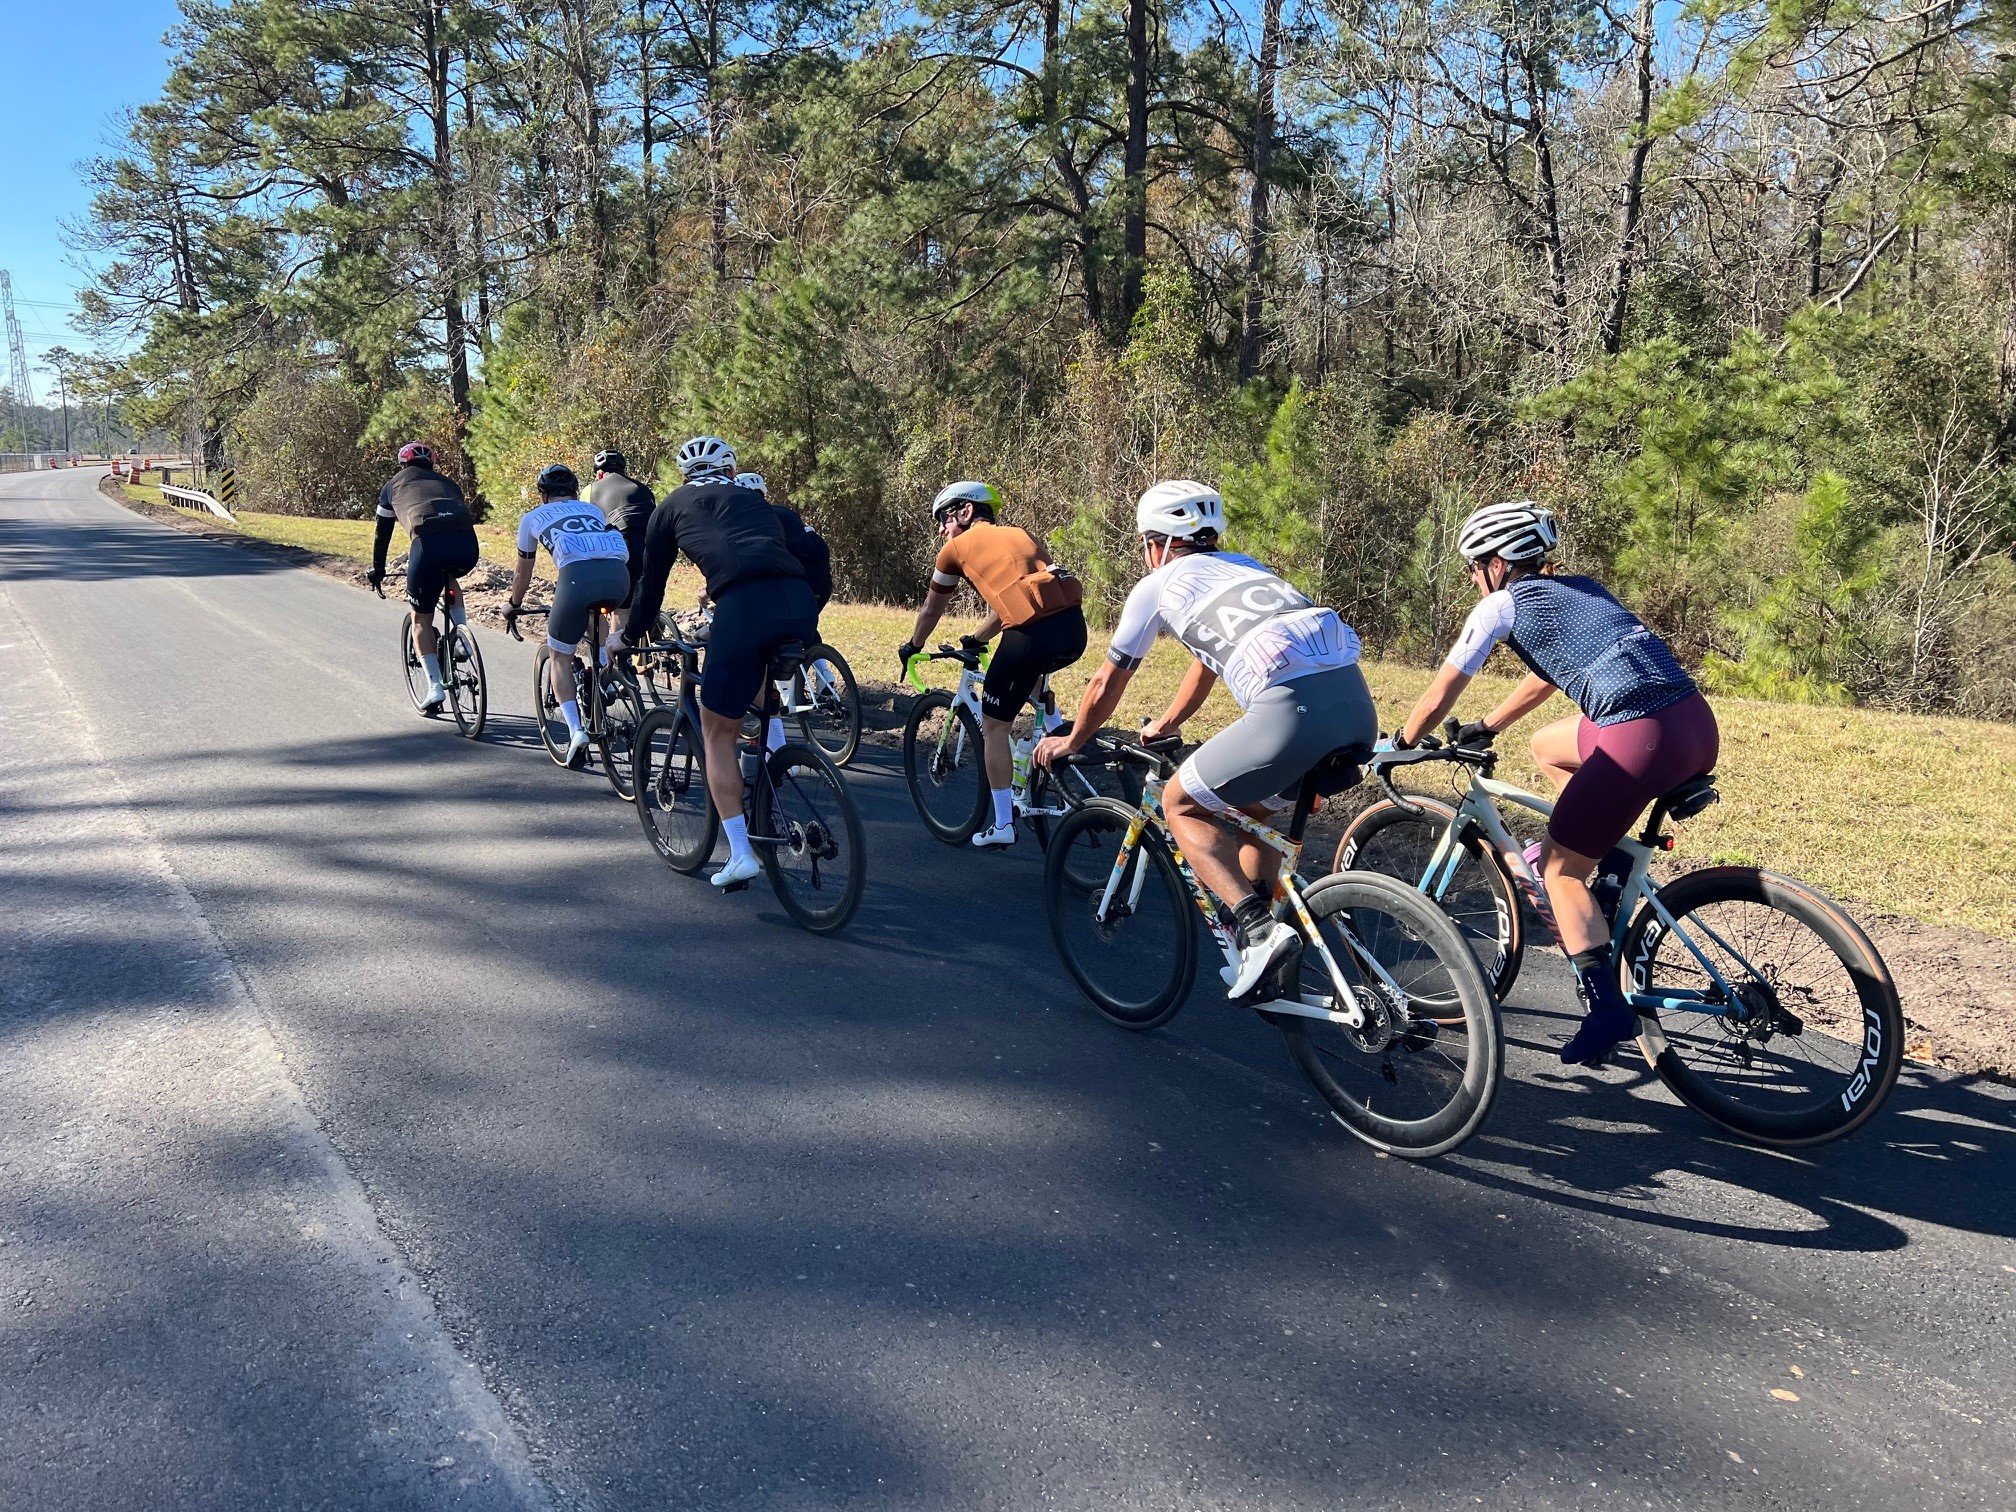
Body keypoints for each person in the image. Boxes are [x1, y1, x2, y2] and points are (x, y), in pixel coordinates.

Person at [1394, 500, 1720, 1067]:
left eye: (1475, 566)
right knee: (1548, 745)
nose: (1474, 578)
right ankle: (1610, 872)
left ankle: (1604, 1007)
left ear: (1497, 563)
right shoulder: (1582, 588)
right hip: (1692, 723)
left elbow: (1438, 692)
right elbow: (1543, 680)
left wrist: (1399, 746)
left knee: (1559, 869)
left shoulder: (1500, 606)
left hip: (1639, 736)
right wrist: (1486, 726)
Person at [1033, 482, 1375, 997]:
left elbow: (1107, 681)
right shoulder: (1248, 567)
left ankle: (1258, 933)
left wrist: (1074, 740)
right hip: (1356, 709)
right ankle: (1270, 926)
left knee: (1181, 804)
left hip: (1291, 715)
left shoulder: (1159, 585)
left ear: (1159, 543)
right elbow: (1205, 662)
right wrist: (1168, 724)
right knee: (1255, 811)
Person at [609, 436, 819, 890]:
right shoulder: (753, 498)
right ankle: (770, 758)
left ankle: (742, 853)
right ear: (729, 471)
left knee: (715, 730)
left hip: (743, 607)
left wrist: (627, 635)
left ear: (684, 477)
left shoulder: (671, 507)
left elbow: (651, 583)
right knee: (756, 689)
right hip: (799, 603)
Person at [899, 481, 1088, 848]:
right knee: (1033, 689)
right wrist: (977, 638)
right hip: (1073, 629)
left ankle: (1003, 824)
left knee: (995, 725)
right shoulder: (1019, 534)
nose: (942, 530)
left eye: (944, 519)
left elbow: (931, 609)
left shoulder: (954, 549)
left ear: (966, 512)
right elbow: (1020, 600)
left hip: (1032, 634)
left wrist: (913, 645)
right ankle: (1051, 734)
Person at [502, 463, 633, 769]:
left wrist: (513, 603)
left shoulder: (532, 517)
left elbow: (524, 571)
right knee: (597, 613)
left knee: (560, 656)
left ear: (543, 495)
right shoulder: (593, 511)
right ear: (575, 493)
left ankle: (576, 731)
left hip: (576, 579)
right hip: (619, 577)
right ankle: (605, 676)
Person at [369, 442, 479, 710]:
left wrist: (378, 568)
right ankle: (461, 637)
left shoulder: (392, 486)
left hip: (428, 544)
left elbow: (382, 533)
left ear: (403, 464)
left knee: (420, 620)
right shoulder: (449, 482)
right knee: (449, 579)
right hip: (466, 545)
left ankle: (434, 688)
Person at [735, 473, 832, 616]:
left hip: (793, 585)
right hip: (821, 582)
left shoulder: (753, 519)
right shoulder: (783, 512)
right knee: (802, 630)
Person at [588, 449, 655, 608]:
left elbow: (586, 526)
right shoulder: (644, 489)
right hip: (654, 545)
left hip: (624, 544)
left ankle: (618, 631)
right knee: (649, 594)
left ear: (599, 474)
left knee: (620, 606)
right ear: (623, 471)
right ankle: (654, 626)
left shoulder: (592, 489)